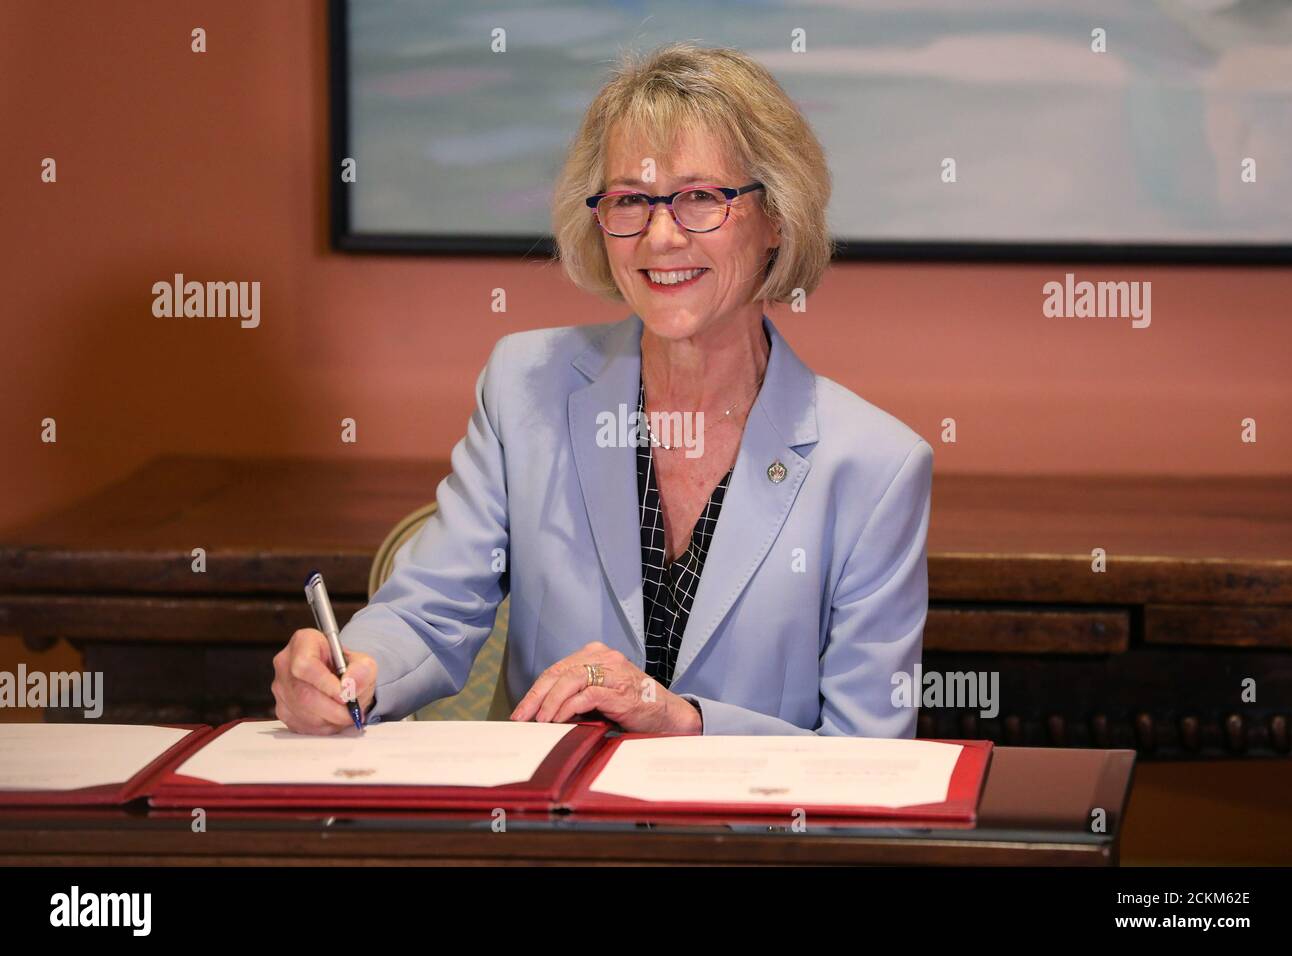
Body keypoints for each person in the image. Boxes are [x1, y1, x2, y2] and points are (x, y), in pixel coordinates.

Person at [271, 42, 933, 737]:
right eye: (629, 200)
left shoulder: (876, 466)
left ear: (775, 217)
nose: (659, 235)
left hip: (752, 842)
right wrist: (354, 670)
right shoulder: (526, 386)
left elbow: (870, 755)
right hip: (554, 834)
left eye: (700, 197)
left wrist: (683, 721)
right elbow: (429, 611)